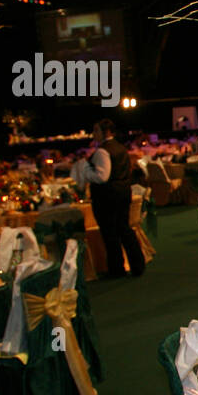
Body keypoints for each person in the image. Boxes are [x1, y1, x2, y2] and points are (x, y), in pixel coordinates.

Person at [74, 119, 145, 278]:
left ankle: (116, 269)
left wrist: (86, 171)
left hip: (107, 197)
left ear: (106, 132)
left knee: (110, 233)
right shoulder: (121, 148)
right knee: (124, 229)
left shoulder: (102, 151)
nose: (94, 134)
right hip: (122, 193)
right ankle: (137, 265)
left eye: (96, 130)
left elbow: (102, 176)